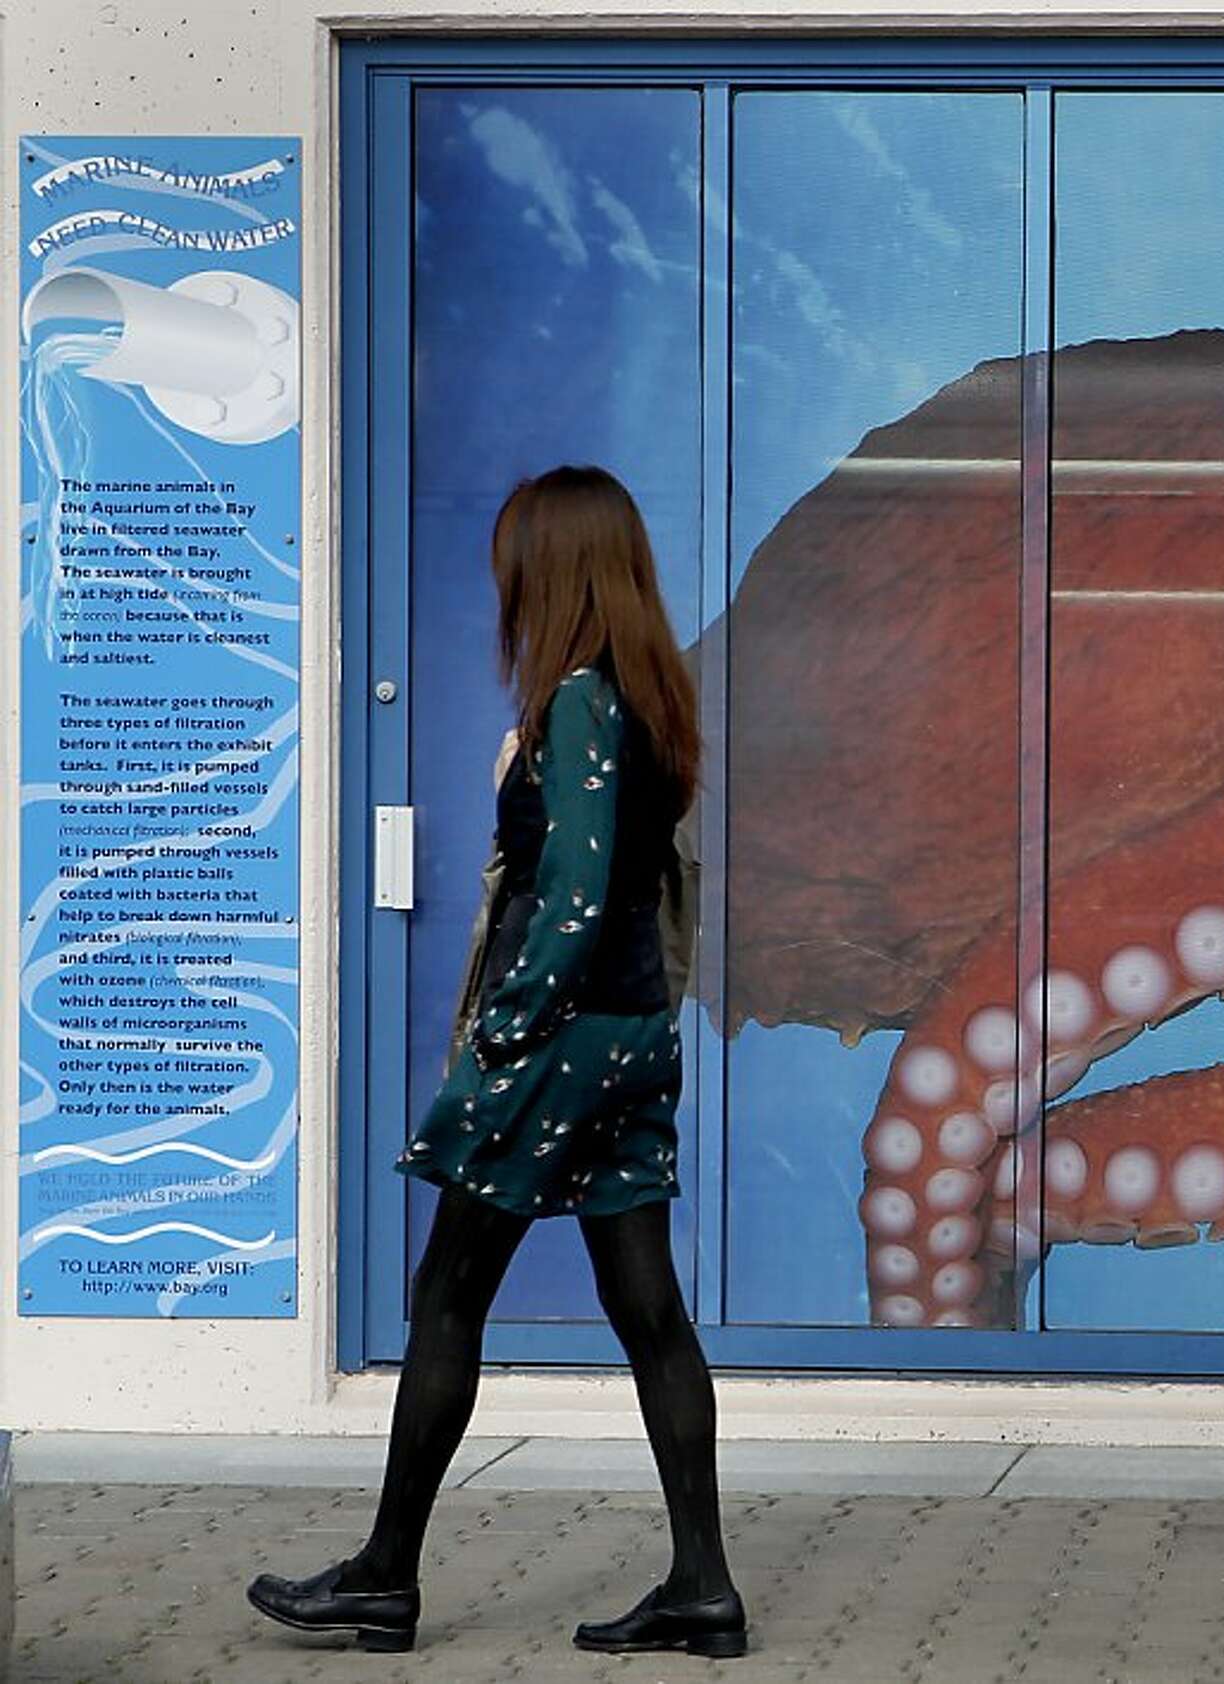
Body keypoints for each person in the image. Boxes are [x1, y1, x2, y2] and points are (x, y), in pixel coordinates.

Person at [247, 466, 745, 1659]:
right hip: (632, 1037)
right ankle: (702, 1587)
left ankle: (385, 1576)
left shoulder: (580, 705)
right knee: (648, 1307)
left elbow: (572, 896)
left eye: (517, 559)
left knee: (447, 1296)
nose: (505, 580)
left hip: (558, 1044)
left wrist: (507, 1032)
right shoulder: (651, 703)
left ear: (554, 569)